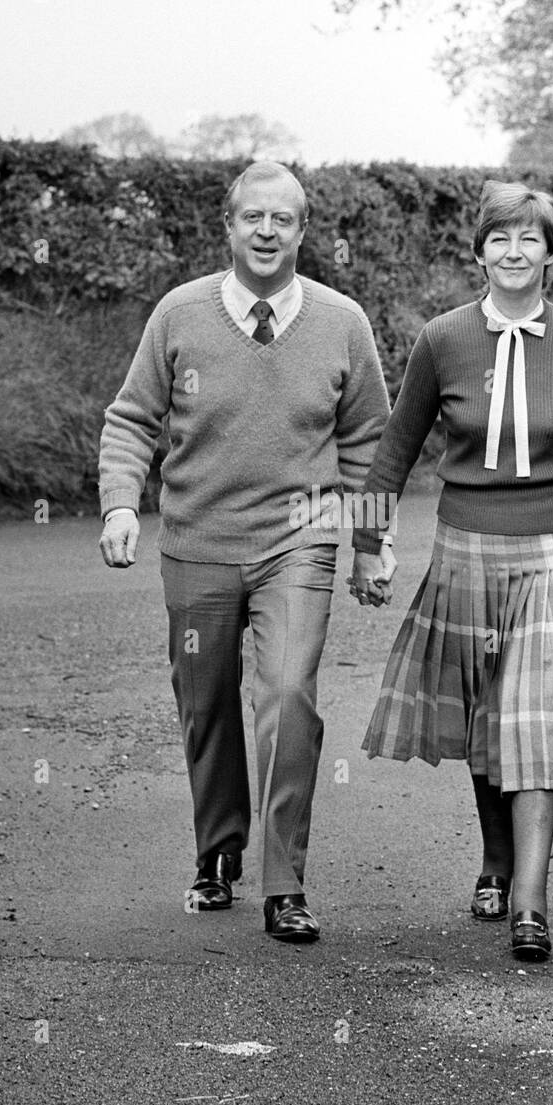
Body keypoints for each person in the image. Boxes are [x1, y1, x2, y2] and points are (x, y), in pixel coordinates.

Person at [98, 162, 394, 943]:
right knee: (206, 705)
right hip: (197, 541)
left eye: (283, 220)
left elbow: (368, 440)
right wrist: (122, 504)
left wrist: (369, 543)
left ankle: (284, 884)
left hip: (299, 540)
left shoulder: (341, 322)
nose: (267, 232)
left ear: (303, 232)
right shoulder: (179, 314)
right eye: (252, 218)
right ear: (227, 227)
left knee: (289, 693)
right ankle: (218, 849)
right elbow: (131, 419)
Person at [349, 178, 553, 962]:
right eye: (499, 238)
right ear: (478, 251)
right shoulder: (443, 339)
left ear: (551, 254)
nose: (514, 251)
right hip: (466, 547)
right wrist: (369, 542)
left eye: (529, 238)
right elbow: (397, 450)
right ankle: (496, 861)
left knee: (536, 718)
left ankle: (531, 902)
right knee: (485, 715)